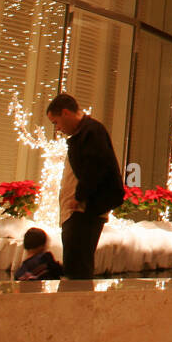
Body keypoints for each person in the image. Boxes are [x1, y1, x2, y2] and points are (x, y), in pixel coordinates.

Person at [47, 93, 124, 279]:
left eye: (56, 122)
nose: (58, 128)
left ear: (66, 113)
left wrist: (79, 197)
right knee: (76, 260)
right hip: (82, 209)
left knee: (77, 263)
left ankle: (77, 304)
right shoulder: (84, 132)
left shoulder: (91, 131)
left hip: (85, 209)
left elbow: (95, 167)